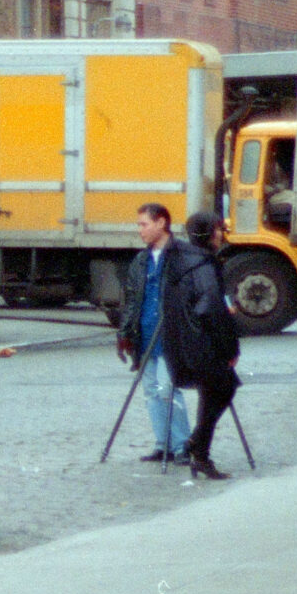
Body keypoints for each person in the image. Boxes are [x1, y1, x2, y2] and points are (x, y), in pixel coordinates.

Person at [115, 203, 193, 466]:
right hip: (145, 333)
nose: (140, 230)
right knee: (151, 390)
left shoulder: (181, 255)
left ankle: (183, 445)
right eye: (138, 225)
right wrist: (124, 332)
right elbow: (132, 299)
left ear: (161, 223)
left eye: (143, 224)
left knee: (168, 388)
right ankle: (164, 444)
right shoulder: (141, 260)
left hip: (171, 334)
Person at [178, 210, 244, 477]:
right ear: (206, 233)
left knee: (213, 393)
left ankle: (199, 451)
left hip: (194, 337)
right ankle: (198, 446)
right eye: (216, 229)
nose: (221, 234)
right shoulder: (204, 264)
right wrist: (230, 347)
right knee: (223, 388)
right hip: (205, 340)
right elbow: (211, 308)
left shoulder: (190, 260)